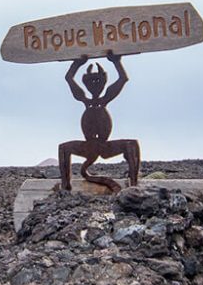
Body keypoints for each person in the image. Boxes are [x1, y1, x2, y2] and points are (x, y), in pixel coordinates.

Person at [57, 52, 141, 191]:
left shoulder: (106, 98)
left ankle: (134, 184)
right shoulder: (84, 99)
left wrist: (116, 62)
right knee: (64, 148)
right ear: (85, 82)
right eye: (90, 81)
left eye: (98, 80)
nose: (94, 83)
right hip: (88, 145)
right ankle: (65, 186)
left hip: (104, 145)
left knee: (131, 145)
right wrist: (77, 63)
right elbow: (69, 78)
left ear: (104, 82)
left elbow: (123, 78)